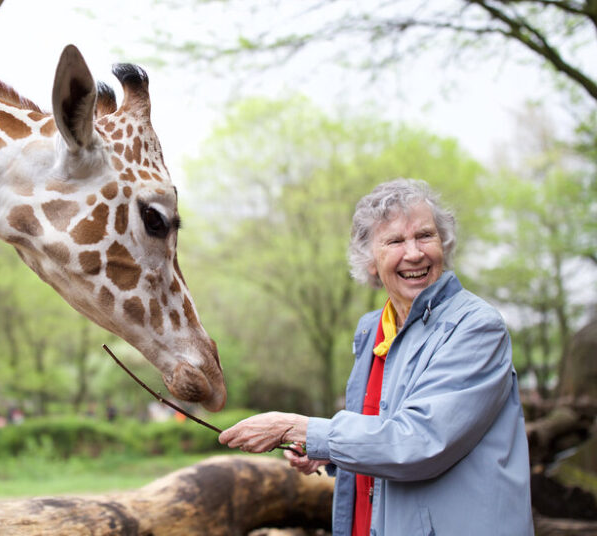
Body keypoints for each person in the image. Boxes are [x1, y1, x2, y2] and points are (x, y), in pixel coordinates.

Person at [219, 179, 534, 535]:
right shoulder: (373, 330)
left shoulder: (476, 327)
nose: (414, 253)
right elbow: (379, 434)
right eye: (395, 241)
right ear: (370, 260)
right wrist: (326, 451)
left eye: (425, 236)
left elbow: (419, 442)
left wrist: (298, 428)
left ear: (443, 244)